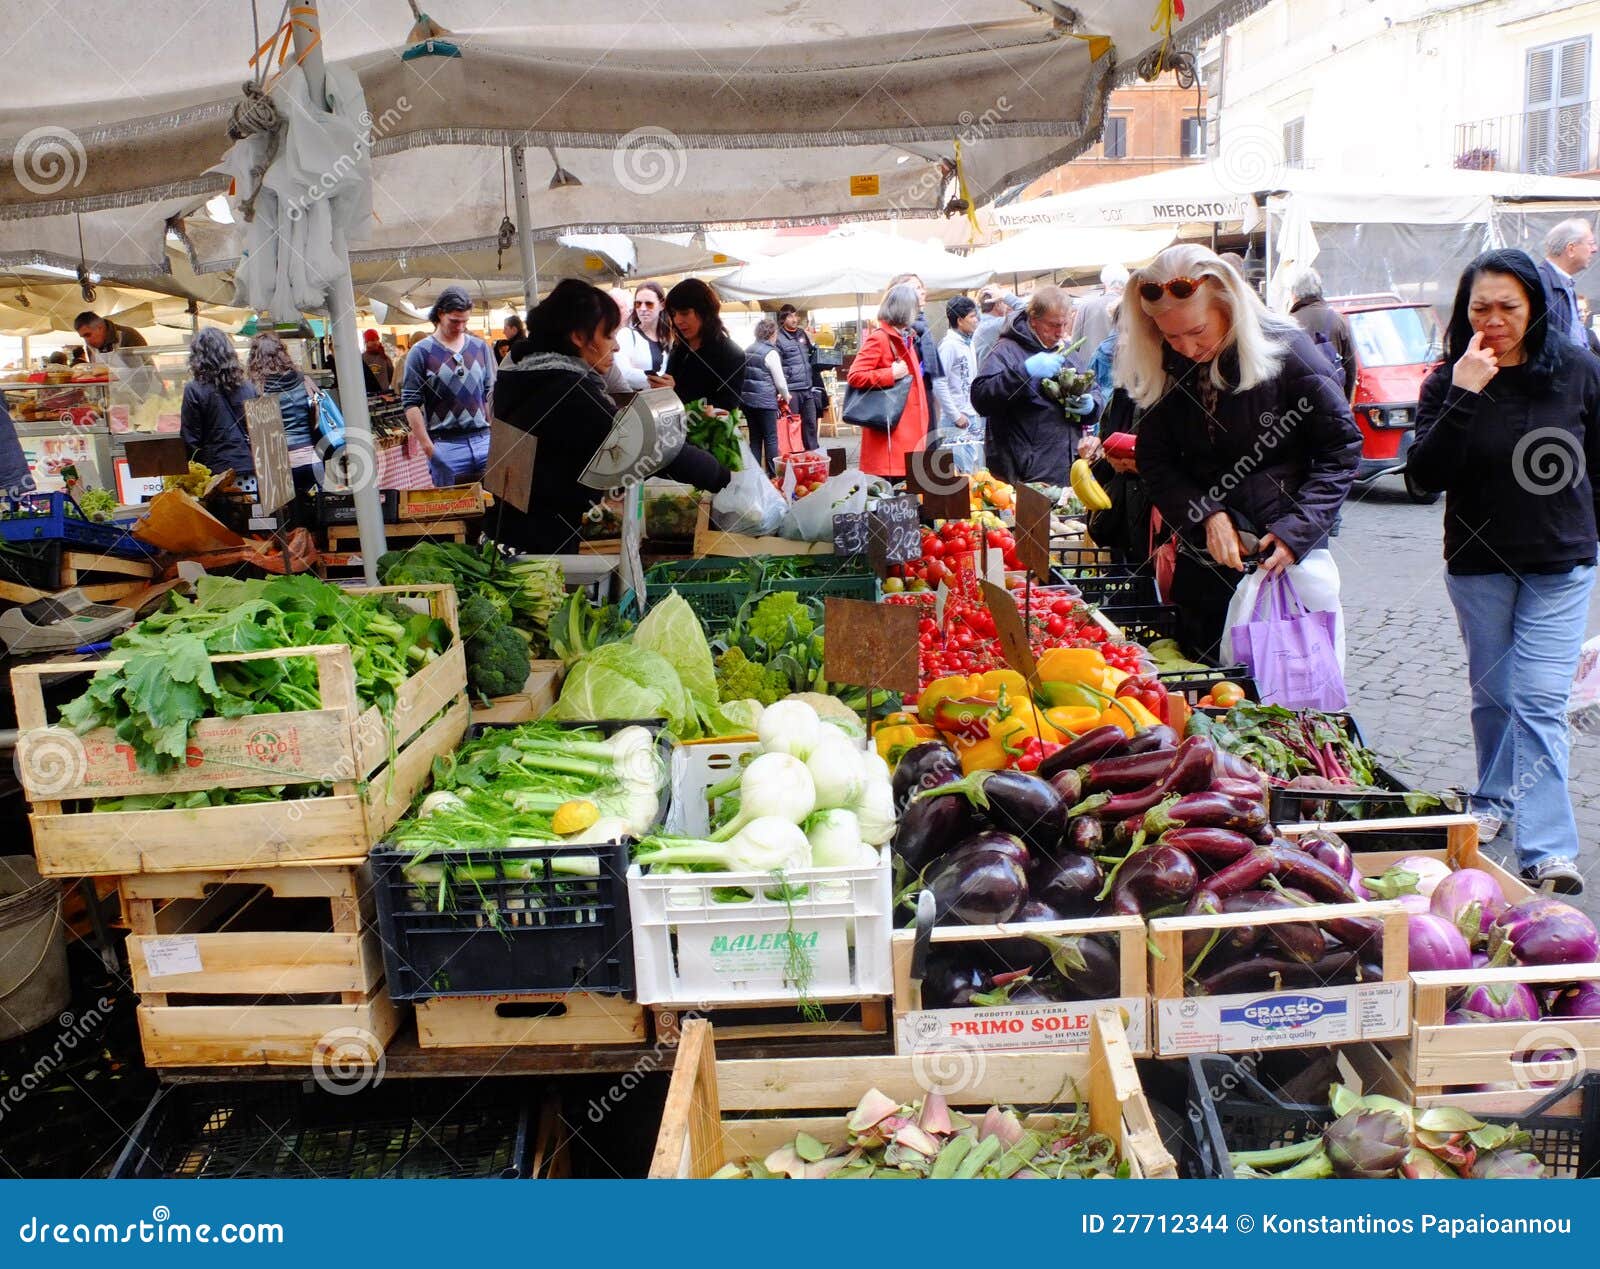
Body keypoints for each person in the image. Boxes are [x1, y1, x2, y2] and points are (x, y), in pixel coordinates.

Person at [1408, 248, 1600, 891]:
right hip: (1477, 564)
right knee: (1493, 697)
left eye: (1508, 308)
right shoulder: (1447, 381)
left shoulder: (1576, 371)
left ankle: (1547, 849)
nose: (1493, 321)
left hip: (1560, 564)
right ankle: (1492, 800)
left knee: (1540, 699)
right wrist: (1465, 393)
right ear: (1463, 313)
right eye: (1479, 308)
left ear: (1536, 309)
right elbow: (1422, 479)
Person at [1123, 244, 1361, 663]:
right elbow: (1155, 460)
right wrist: (1207, 514)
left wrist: (1296, 531)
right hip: (1203, 565)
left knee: (1280, 690)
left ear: (1230, 307)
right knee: (1208, 681)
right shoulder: (1171, 362)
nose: (1185, 348)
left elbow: (1340, 448)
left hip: (1279, 560)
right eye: (1169, 335)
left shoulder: (1290, 352)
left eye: (1197, 332)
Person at [492, 280, 732, 554]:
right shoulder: (566, 387)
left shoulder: (519, 371)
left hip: (514, 523)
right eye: (609, 335)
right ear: (579, 337)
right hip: (541, 536)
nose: (616, 347)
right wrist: (718, 474)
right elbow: (639, 445)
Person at [971, 285, 1101, 487]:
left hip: (1067, 469)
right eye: (1053, 325)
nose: (1060, 332)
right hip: (1024, 475)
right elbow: (981, 398)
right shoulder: (1006, 350)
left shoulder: (1066, 350)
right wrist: (1024, 372)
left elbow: (1093, 389)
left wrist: (1092, 405)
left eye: (1064, 324)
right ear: (1033, 320)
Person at [401, 285, 496, 487]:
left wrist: (496, 438)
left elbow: (490, 394)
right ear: (440, 314)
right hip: (445, 445)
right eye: (454, 321)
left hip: (484, 441)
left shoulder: (480, 348)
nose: (460, 326)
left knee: (495, 510)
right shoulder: (420, 352)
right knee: (453, 512)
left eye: (465, 321)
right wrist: (429, 449)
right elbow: (411, 403)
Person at [845, 283, 930, 479]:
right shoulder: (881, 338)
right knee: (891, 492)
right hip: (892, 434)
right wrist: (890, 374)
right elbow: (855, 375)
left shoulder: (903, 337)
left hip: (904, 432)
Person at [247, 332, 322, 500]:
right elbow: (317, 418)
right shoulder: (304, 380)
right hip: (311, 459)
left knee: (288, 522)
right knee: (320, 519)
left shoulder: (256, 389)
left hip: (277, 465)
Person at [662, 278, 747, 414]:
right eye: (673, 314)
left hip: (709, 433)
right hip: (673, 432)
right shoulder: (679, 349)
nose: (677, 320)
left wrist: (676, 392)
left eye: (684, 313)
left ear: (705, 312)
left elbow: (726, 407)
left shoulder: (731, 354)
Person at [179, 327, 256, 476]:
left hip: (216, 472)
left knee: (224, 500)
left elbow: (190, 439)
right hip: (250, 466)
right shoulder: (248, 387)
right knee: (249, 500)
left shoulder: (194, 389)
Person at [1286, 268, 1358, 400]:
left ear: (1294, 294)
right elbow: (1351, 368)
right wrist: (1344, 401)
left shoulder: (1287, 324)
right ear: (1319, 292)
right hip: (1334, 401)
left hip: (1300, 408)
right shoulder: (1339, 321)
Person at [931, 295, 985, 472]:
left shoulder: (968, 342)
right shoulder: (949, 345)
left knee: (971, 469)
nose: (976, 320)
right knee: (959, 472)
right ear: (960, 320)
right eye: (972, 316)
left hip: (970, 415)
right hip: (956, 418)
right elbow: (938, 382)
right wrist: (955, 415)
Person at [888, 273, 942, 426]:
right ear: (901, 293)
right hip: (906, 404)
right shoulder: (896, 330)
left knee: (928, 447)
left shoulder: (922, 326)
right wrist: (890, 373)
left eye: (922, 287)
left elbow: (931, 373)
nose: (923, 291)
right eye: (917, 288)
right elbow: (857, 375)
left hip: (925, 398)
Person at [1539, 218, 1598, 352]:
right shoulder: (1542, 283)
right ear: (1571, 249)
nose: (1594, 249)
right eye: (1590, 243)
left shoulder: (1563, 283)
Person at [740, 318, 790, 474]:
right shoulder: (771, 352)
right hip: (765, 402)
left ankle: (754, 475)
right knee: (771, 438)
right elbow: (780, 382)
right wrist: (786, 396)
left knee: (755, 439)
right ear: (772, 333)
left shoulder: (747, 349)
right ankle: (773, 475)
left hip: (747, 402)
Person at [774, 304, 820, 450]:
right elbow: (777, 366)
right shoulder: (779, 338)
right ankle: (795, 459)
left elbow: (812, 354)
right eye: (790, 316)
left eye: (795, 315)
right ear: (783, 319)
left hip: (807, 388)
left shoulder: (802, 334)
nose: (795, 319)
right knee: (793, 427)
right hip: (791, 390)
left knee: (811, 424)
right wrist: (780, 391)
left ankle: (813, 458)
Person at [1073, 263, 1128, 358]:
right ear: (1125, 283)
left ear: (1104, 282)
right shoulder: (1130, 307)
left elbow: (1075, 343)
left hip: (1088, 369)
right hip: (1119, 369)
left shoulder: (1085, 306)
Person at [619, 282, 671, 377]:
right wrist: (658, 380)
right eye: (638, 304)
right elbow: (624, 373)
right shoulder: (626, 335)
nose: (642, 308)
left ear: (662, 305)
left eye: (649, 304)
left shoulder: (669, 338)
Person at [604, 289, 650, 392]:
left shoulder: (634, 335)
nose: (613, 312)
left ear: (629, 310)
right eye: (610, 307)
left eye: (618, 307)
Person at [973, 287, 1019, 370]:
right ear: (997, 305)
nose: (1007, 306)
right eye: (1004, 302)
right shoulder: (996, 324)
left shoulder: (982, 323)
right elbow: (1027, 312)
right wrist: (1007, 297)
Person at [74, 310, 147, 360]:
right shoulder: (90, 347)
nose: (87, 341)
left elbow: (146, 370)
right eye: (83, 337)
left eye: (88, 335)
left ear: (99, 327)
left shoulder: (128, 335)